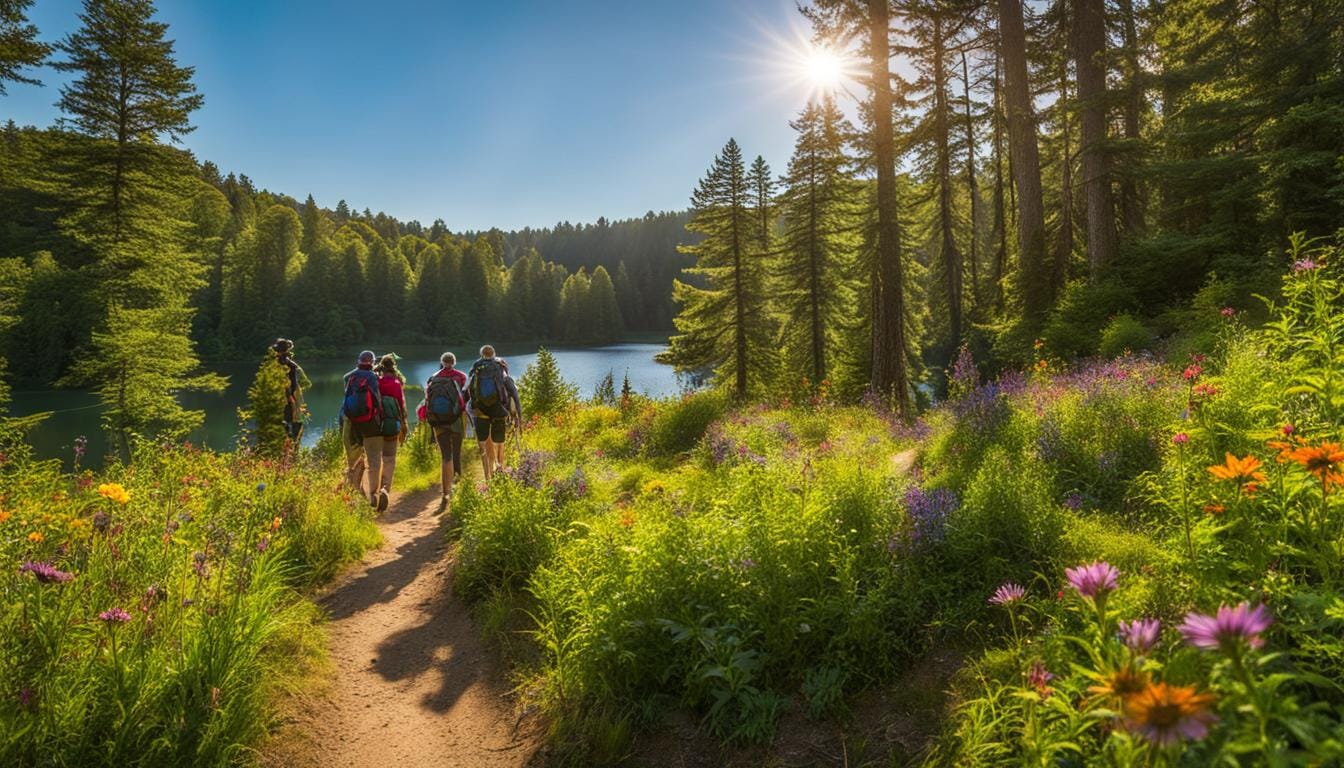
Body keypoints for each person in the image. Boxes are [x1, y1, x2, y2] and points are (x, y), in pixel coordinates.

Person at [422, 351, 467, 508]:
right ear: (454, 362)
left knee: (445, 457)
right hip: (455, 421)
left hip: (439, 422)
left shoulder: (433, 378)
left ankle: (445, 493)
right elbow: (465, 399)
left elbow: (427, 401)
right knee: (456, 453)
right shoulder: (461, 376)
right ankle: (457, 487)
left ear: (442, 362)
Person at [340, 350, 383, 505]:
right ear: (371, 362)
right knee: (369, 457)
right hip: (368, 421)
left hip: (350, 420)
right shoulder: (372, 376)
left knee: (353, 458)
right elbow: (377, 397)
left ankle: (354, 492)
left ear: (358, 361)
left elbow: (344, 379)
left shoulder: (350, 376)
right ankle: (367, 494)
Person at [465, 345, 511, 480]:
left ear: (481, 355)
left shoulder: (476, 367)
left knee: (484, 443)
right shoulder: (499, 365)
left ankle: (487, 477)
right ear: (494, 354)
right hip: (497, 409)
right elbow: (507, 385)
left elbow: (467, 389)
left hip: (480, 410)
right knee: (500, 441)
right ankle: (500, 469)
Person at [371, 354, 409, 512]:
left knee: (374, 459)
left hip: (375, 426)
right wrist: (403, 426)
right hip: (391, 426)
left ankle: (373, 492)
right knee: (389, 459)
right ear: (393, 367)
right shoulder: (396, 383)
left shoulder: (376, 382)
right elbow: (402, 407)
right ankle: (385, 489)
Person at [272, 338, 309, 442]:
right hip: (290, 399)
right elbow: (304, 382)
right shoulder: (291, 365)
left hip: (282, 399)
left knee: (283, 424)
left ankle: (287, 448)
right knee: (294, 422)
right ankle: (293, 447)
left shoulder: (276, 365)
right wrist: (293, 396)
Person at [492, 358, 523, 472]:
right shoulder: (507, 379)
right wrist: (518, 419)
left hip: (485, 414)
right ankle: (499, 466)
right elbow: (516, 399)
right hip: (501, 414)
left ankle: (493, 466)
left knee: (491, 441)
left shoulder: (485, 379)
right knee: (500, 442)